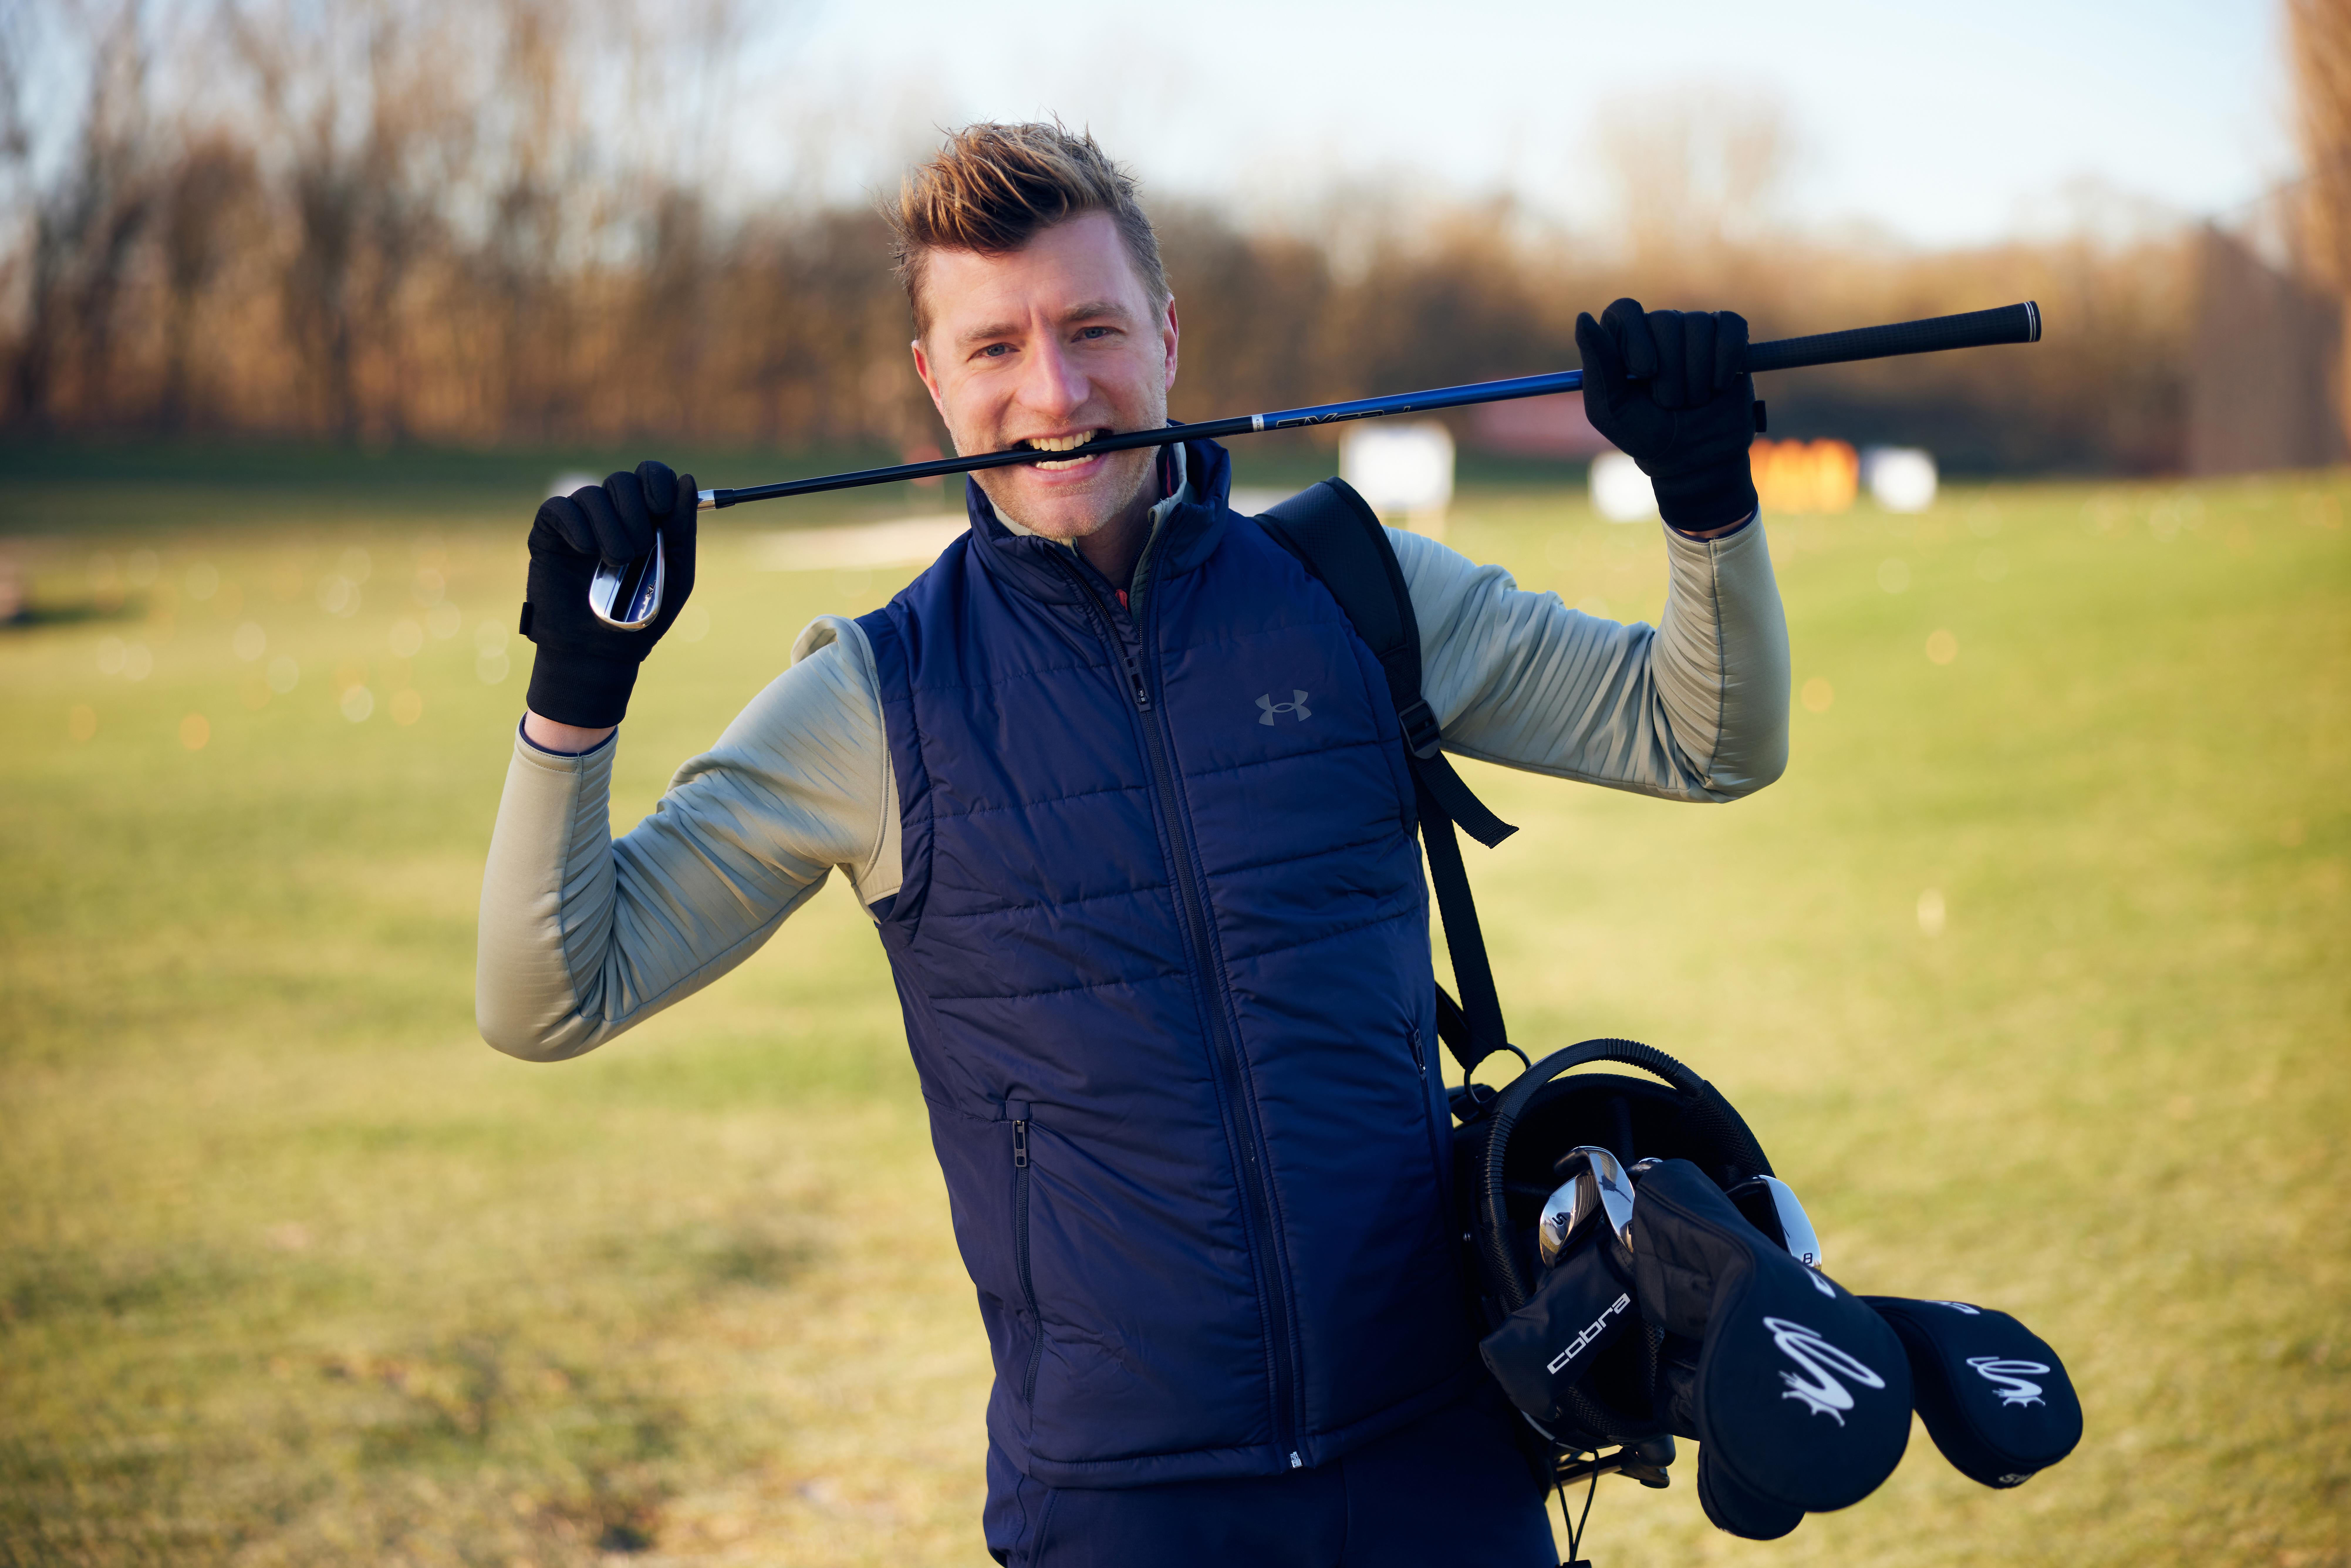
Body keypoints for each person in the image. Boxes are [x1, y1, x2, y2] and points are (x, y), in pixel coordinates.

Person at [478, 121, 1790, 1567]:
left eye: (1092, 327)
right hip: (1118, 1507)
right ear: (931, 381)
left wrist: (1705, 501)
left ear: (1166, 336)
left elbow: (1705, 739)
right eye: (991, 348)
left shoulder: (1356, 591)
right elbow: (550, 993)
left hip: (1443, 1456)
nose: (1053, 389)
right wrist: (576, 694)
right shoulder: (872, 696)